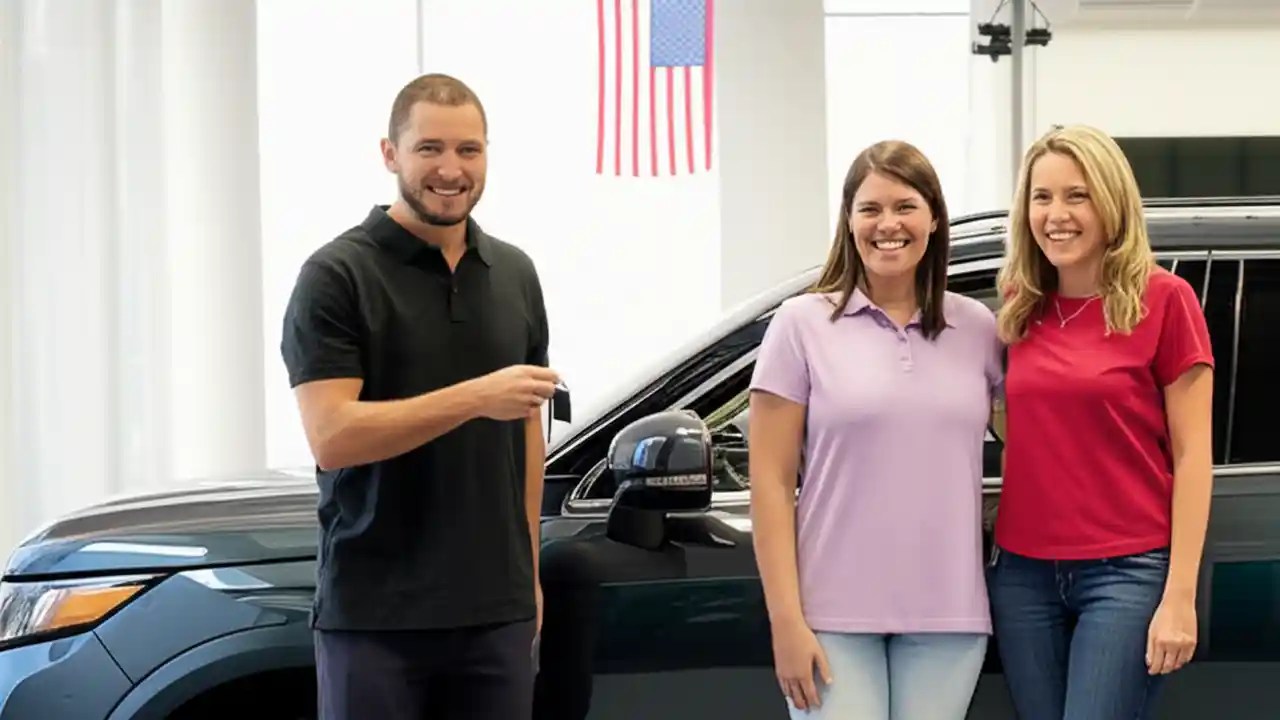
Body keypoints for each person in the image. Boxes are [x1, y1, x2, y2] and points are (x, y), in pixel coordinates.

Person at [280, 73, 557, 720]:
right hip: (376, 618)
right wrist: (473, 397)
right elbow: (333, 437)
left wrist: (528, 574)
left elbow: (527, 432)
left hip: (498, 615)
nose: (451, 169)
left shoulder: (514, 272)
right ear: (390, 154)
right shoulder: (336, 275)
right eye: (430, 148)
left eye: (469, 150)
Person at [748, 140, 1003, 719]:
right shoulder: (801, 324)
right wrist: (786, 622)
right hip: (831, 616)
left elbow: (1037, 435)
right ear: (849, 220)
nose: (888, 224)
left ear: (934, 218)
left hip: (949, 616)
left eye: (905, 206)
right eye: (871, 209)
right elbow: (769, 479)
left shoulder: (977, 327)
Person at [989, 124, 1215, 719]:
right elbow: (1021, 425)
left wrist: (1179, 598)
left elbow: (1193, 457)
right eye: (1042, 197)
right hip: (1022, 575)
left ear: (1112, 202)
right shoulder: (1018, 303)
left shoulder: (1166, 301)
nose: (1056, 214)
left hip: (1126, 574)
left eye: (1076, 195)